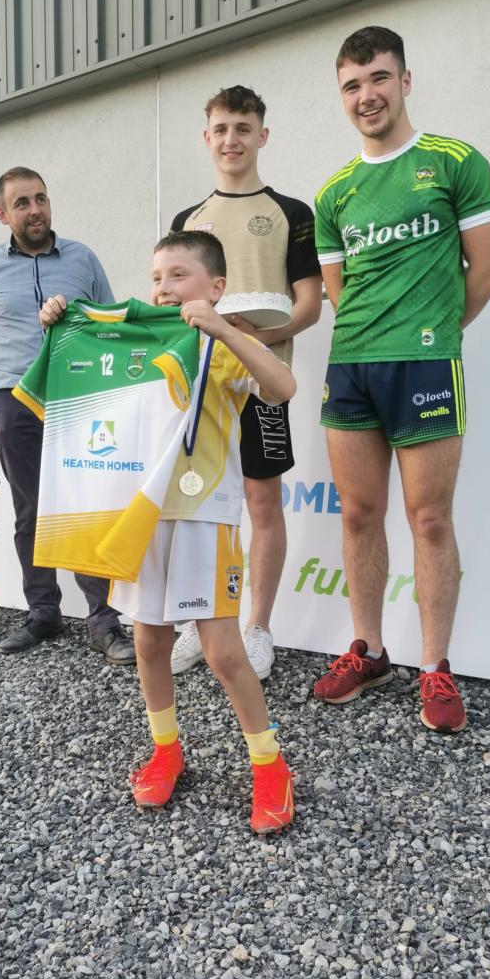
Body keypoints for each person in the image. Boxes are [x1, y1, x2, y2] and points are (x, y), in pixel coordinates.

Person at [40, 230, 297, 833]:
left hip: (205, 516)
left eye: (179, 276)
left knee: (222, 652)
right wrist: (58, 319)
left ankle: (270, 766)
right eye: (157, 277)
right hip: (144, 517)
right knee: (150, 644)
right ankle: (166, 748)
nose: (163, 288)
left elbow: (282, 389)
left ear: (215, 287)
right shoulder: (137, 344)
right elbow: (82, 373)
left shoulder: (224, 344)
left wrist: (226, 328)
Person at [311, 26, 490, 732]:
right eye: (353, 85)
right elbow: (337, 291)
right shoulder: (333, 191)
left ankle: (435, 666)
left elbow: (482, 270)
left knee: (427, 518)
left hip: (424, 361)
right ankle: (367, 649)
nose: (367, 95)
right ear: (342, 95)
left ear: (404, 80)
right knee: (358, 514)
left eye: (379, 78)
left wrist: (438, 331)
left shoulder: (454, 161)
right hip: (351, 366)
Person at [170, 85, 321, 680]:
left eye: (243, 127)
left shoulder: (293, 213)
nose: (231, 140)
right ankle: (193, 618)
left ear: (263, 135)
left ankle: (258, 627)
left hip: (259, 386)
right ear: (207, 138)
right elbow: (169, 296)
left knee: (262, 503)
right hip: (198, 389)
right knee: (194, 503)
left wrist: (246, 332)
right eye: (221, 129)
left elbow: (309, 304)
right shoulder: (188, 220)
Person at [0, 166, 136, 663]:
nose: (34, 209)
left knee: (84, 504)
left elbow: (110, 322)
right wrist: (8, 375)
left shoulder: (82, 259)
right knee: (30, 510)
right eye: (21, 203)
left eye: (40, 198)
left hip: (78, 398)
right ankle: (43, 612)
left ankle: (103, 620)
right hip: (14, 402)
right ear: (3, 214)